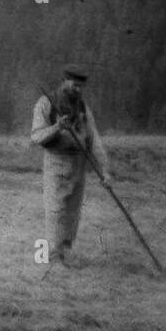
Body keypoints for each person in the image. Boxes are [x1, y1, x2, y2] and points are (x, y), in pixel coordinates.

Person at [30, 64, 110, 267]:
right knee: (56, 210)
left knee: (73, 212)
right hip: (56, 163)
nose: (78, 90)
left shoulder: (83, 107)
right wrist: (58, 127)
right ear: (64, 81)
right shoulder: (46, 103)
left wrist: (104, 171)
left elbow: (95, 141)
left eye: (81, 87)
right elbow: (37, 136)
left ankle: (65, 252)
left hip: (79, 165)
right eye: (75, 85)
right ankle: (55, 257)